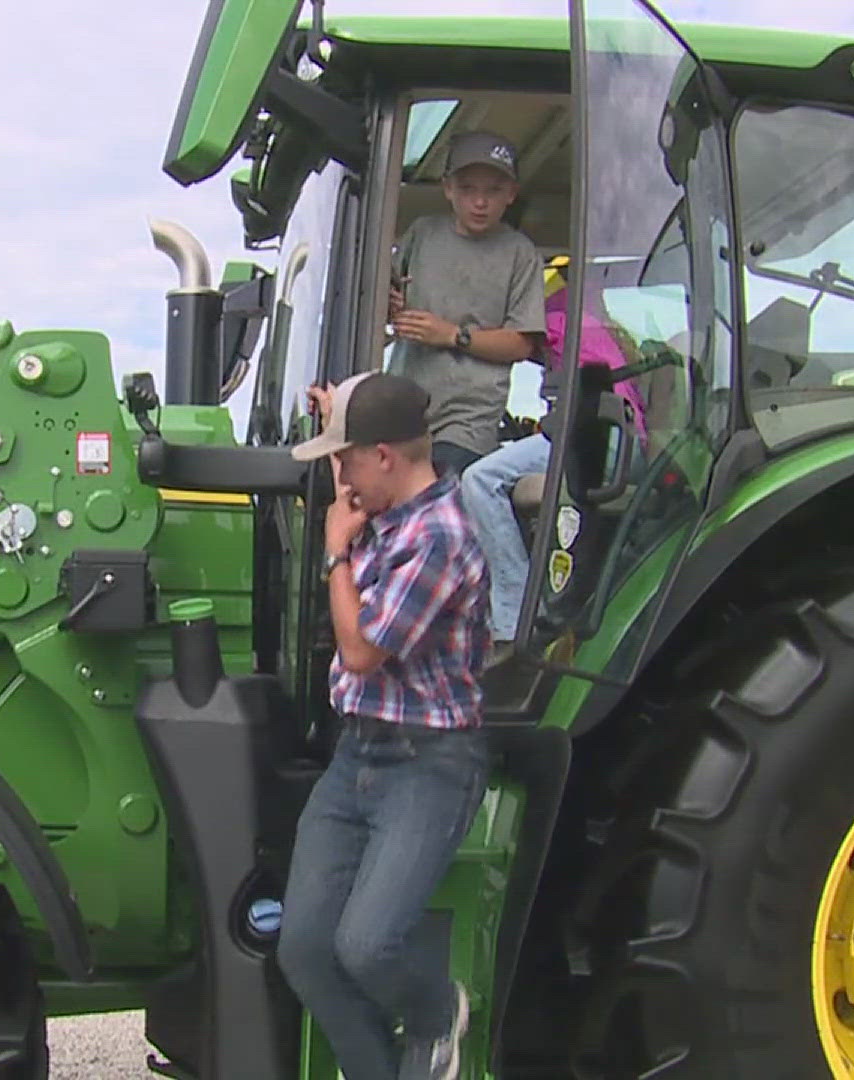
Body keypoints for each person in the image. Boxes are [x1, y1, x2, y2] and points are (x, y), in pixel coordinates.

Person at [277, 371, 492, 1080]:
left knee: (368, 946)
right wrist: (337, 408)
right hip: (356, 756)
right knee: (304, 948)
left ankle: (437, 1014)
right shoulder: (386, 511)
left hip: (426, 765)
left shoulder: (441, 536)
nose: (337, 477)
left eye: (344, 458)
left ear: (385, 456)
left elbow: (363, 651)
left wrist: (336, 552)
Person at [460, 262, 649, 652]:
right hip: (623, 440)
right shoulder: (597, 328)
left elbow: (505, 342)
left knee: (478, 480)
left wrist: (441, 329)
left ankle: (514, 619)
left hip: (600, 439)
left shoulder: (557, 314)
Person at [387, 130, 547, 479]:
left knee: (437, 501)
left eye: (493, 191)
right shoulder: (421, 233)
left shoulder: (522, 255)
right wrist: (389, 309)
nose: (480, 202)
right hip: (403, 408)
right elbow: (385, 307)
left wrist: (451, 335)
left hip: (468, 423)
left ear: (511, 194)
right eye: (468, 188)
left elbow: (521, 343)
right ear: (447, 188)